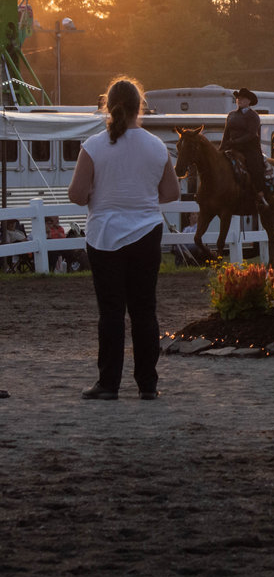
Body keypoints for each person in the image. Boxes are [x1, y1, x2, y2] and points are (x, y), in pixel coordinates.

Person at [68, 76, 180, 400]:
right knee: (145, 311)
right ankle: (148, 384)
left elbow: (77, 194)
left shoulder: (93, 146)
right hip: (146, 232)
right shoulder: (156, 145)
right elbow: (171, 193)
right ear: (139, 107)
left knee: (112, 313)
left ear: (108, 105)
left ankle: (108, 384)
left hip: (105, 237)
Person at [219, 86, 268, 211]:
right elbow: (226, 134)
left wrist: (234, 142)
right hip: (232, 146)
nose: (239, 100)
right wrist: (221, 149)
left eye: (242, 99)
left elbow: (251, 134)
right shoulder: (231, 115)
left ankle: (260, 193)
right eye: (238, 99)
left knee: (254, 166)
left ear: (249, 101)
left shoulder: (253, 116)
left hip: (249, 148)